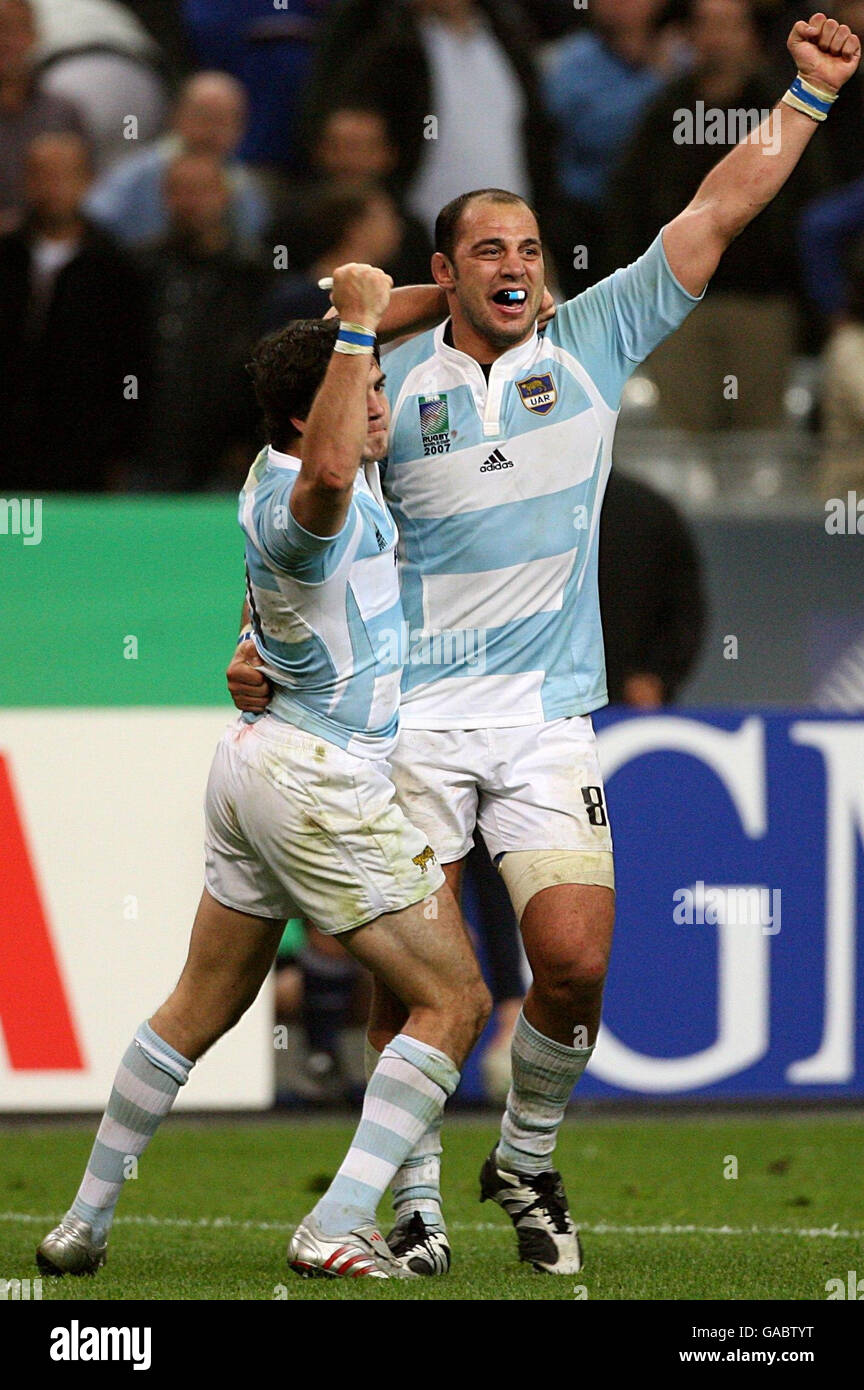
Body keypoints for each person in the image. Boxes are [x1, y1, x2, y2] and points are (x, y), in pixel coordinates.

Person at [230, 14, 862, 1277]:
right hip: (405, 719)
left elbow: (718, 208)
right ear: (445, 268)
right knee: (415, 984)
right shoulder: (387, 383)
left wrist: (806, 94)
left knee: (570, 966)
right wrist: (255, 638)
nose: (515, 266)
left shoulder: (593, 340)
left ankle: (523, 1156)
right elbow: (303, 518)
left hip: (542, 722)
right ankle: (409, 1201)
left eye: (527, 246)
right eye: (487, 252)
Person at [36, 269, 491, 1282]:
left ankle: (86, 1219)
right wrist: (364, 326)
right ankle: (336, 1218)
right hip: (319, 778)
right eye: (368, 393)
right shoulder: (306, 501)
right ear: (309, 414)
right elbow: (331, 468)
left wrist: (455, 291)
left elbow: (343, 382)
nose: (384, 409)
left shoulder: (276, 453)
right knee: (455, 1000)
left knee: (199, 1003)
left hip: (256, 766)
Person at [606, 0, 829, 432]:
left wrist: (804, 303)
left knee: (759, 451)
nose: (716, 39)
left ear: (750, 37)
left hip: (761, 306)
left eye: (728, 26)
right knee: (682, 449)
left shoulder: (785, 111)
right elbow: (628, 206)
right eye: (705, 26)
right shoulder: (664, 112)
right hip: (677, 308)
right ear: (689, 35)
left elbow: (811, 206)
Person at [0, 131, 149, 491]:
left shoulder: (115, 267)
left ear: (87, 181)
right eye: (41, 174)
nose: (52, 187)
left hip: (82, 454)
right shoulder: (6, 257)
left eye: (63, 175)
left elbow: (132, 364)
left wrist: (120, 446)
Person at [134, 151, 270, 491]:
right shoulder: (139, 270)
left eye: (200, 190)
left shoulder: (254, 275)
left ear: (225, 195)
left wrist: (248, 440)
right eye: (178, 190)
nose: (189, 202)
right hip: (148, 451)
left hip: (228, 458)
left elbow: (266, 364)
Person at [85, 70, 269, 250]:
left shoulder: (244, 186)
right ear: (177, 115)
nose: (211, 131)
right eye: (203, 117)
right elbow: (93, 221)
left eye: (222, 120)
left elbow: (252, 243)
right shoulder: (135, 174)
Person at [0, 0, 85, 227]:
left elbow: (83, 194)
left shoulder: (62, 112)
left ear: (34, 36)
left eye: (14, 30)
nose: (5, 41)